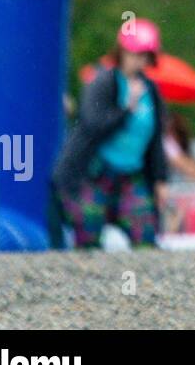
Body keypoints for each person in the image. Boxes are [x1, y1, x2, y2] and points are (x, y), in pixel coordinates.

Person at [51, 19, 169, 248]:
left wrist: (160, 179)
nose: (140, 61)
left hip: (131, 175)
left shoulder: (151, 90)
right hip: (94, 173)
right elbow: (93, 124)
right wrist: (126, 109)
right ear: (122, 52)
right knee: (88, 242)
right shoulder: (102, 82)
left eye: (145, 55)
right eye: (135, 54)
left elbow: (155, 140)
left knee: (145, 237)